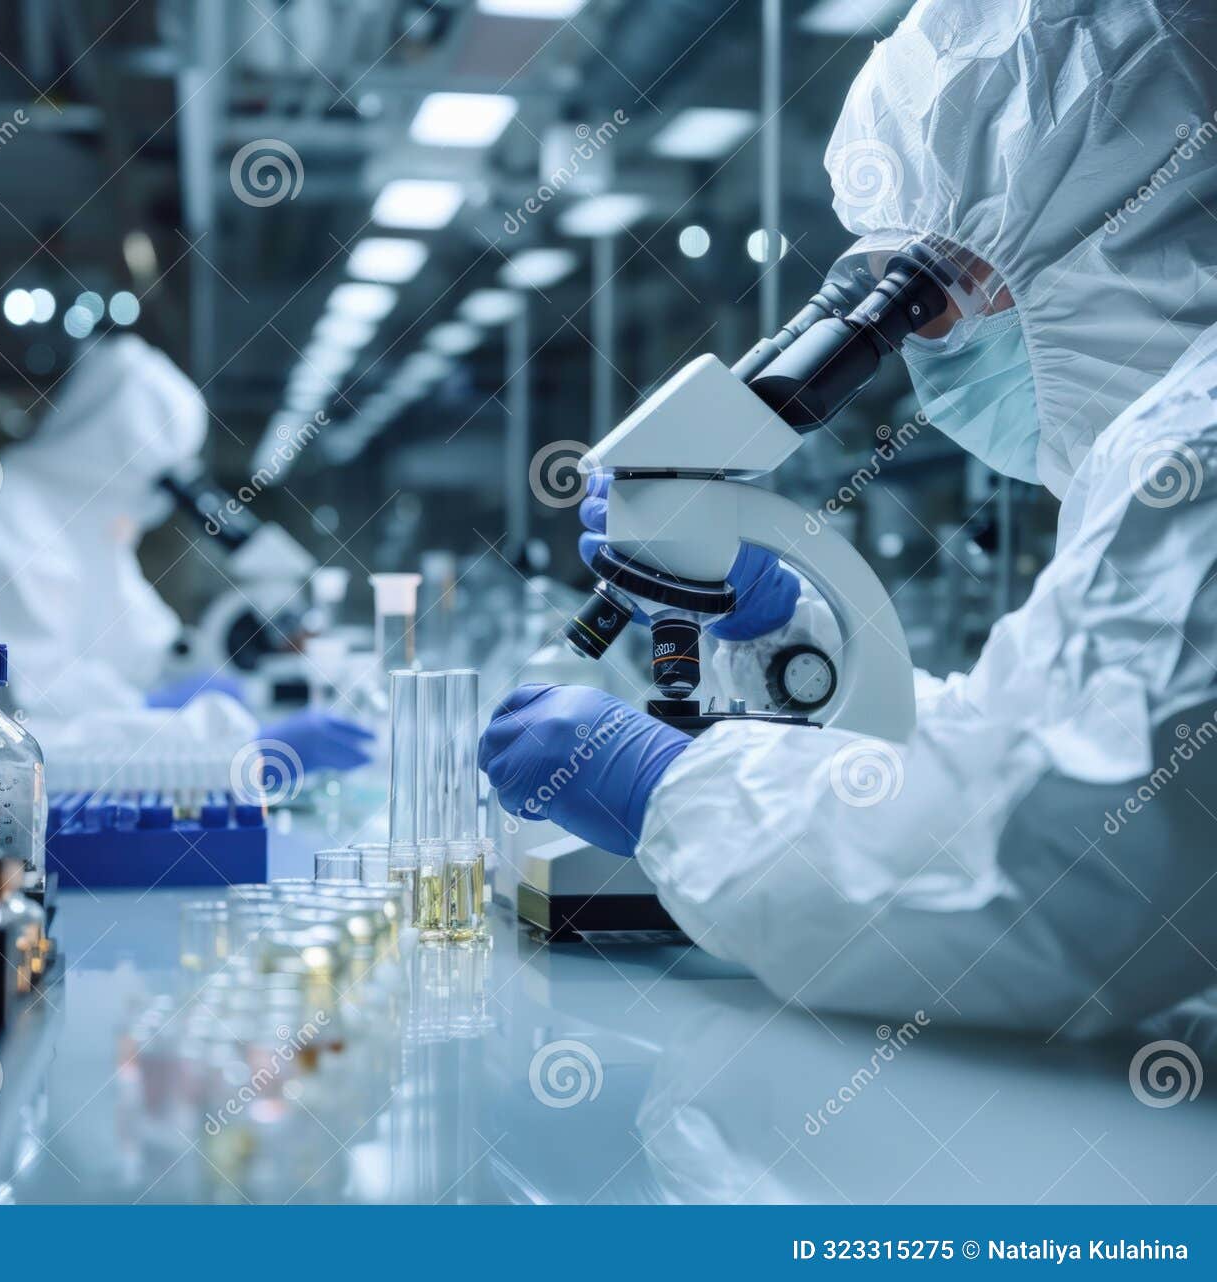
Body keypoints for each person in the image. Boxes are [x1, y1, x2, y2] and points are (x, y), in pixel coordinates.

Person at [481, 0, 1217, 1036]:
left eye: (931, 289)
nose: (922, 349)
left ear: (1109, 230)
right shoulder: (1166, 436)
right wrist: (789, 637)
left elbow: (1044, 871)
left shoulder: (1195, 446)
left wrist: (670, 786)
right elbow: (1041, 730)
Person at [0, 335, 372, 771]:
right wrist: (225, 739)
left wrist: (214, 679)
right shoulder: (4, 513)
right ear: (108, 451)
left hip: (23, 768)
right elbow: (38, 703)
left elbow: (150, 650)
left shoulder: (86, 527)